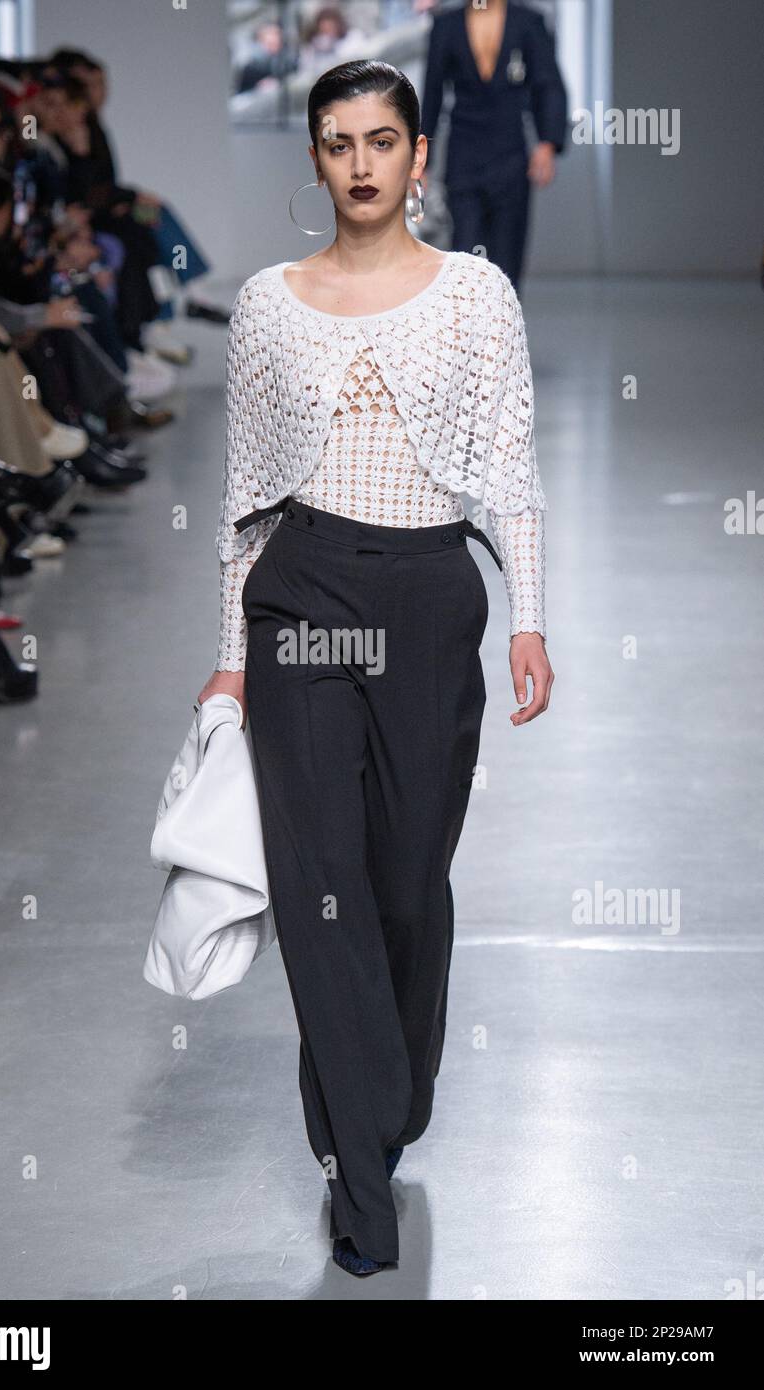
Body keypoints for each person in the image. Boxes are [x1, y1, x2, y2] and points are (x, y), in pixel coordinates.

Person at [197, 58, 554, 1277]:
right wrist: (230, 660)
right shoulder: (265, 301)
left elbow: (510, 462)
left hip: (425, 598)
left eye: (381, 140)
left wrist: (529, 617)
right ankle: (362, 1176)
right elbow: (243, 495)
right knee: (321, 889)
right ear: (315, 159)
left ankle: (381, 1107)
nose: (360, 162)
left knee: (405, 888)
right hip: (301, 596)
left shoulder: (475, 294)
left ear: (415, 154)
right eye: (338, 141)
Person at [420, 0, 567, 292]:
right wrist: (421, 161)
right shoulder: (446, 25)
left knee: (508, 256)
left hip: (510, 153)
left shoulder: (527, 22)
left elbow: (547, 83)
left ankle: (506, 332)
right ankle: (467, 330)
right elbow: (432, 95)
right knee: (465, 251)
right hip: (464, 153)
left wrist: (547, 143)